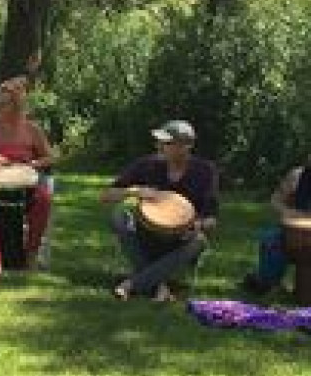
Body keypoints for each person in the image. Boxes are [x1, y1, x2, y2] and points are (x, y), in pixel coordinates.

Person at [100, 120, 218, 302]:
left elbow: (211, 219)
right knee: (119, 216)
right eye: (159, 142)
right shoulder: (146, 164)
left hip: (180, 240)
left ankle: (131, 285)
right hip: (145, 234)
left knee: (200, 241)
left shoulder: (205, 171)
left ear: (186, 146)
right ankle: (158, 285)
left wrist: (197, 225)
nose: (159, 146)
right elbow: (106, 196)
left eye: (167, 143)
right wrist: (135, 191)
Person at [0, 76, 54, 277]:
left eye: (3, 104)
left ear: (16, 106)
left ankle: (31, 255)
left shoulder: (32, 129)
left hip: (26, 187)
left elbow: (51, 157)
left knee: (44, 200)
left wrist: (34, 164)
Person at [241, 156, 311, 295]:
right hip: (297, 231)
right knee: (271, 240)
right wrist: (289, 212)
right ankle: (267, 282)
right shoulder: (297, 175)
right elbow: (276, 200)